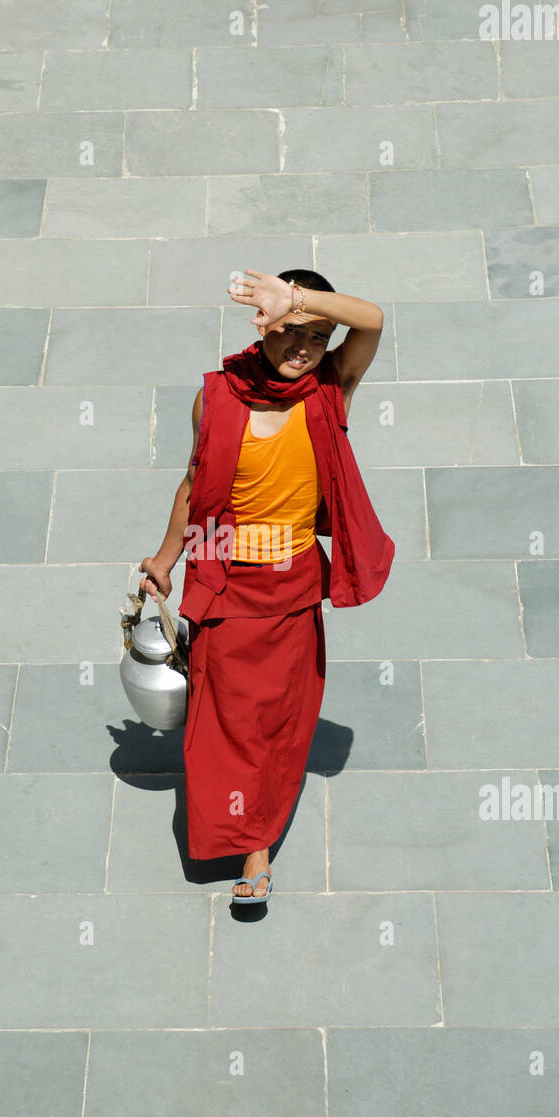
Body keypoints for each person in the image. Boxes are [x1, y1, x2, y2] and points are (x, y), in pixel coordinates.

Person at [138, 268, 395, 903]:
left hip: (294, 584)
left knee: (278, 720)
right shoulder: (217, 397)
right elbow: (194, 485)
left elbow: (375, 320)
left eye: (317, 334)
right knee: (223, 722)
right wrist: (165, 558)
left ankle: (255, 850)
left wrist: (300, 299)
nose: (303, 346)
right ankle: (239, 832)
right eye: (290, 331)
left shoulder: (331, 387)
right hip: (226, 577)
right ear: (261, 324)